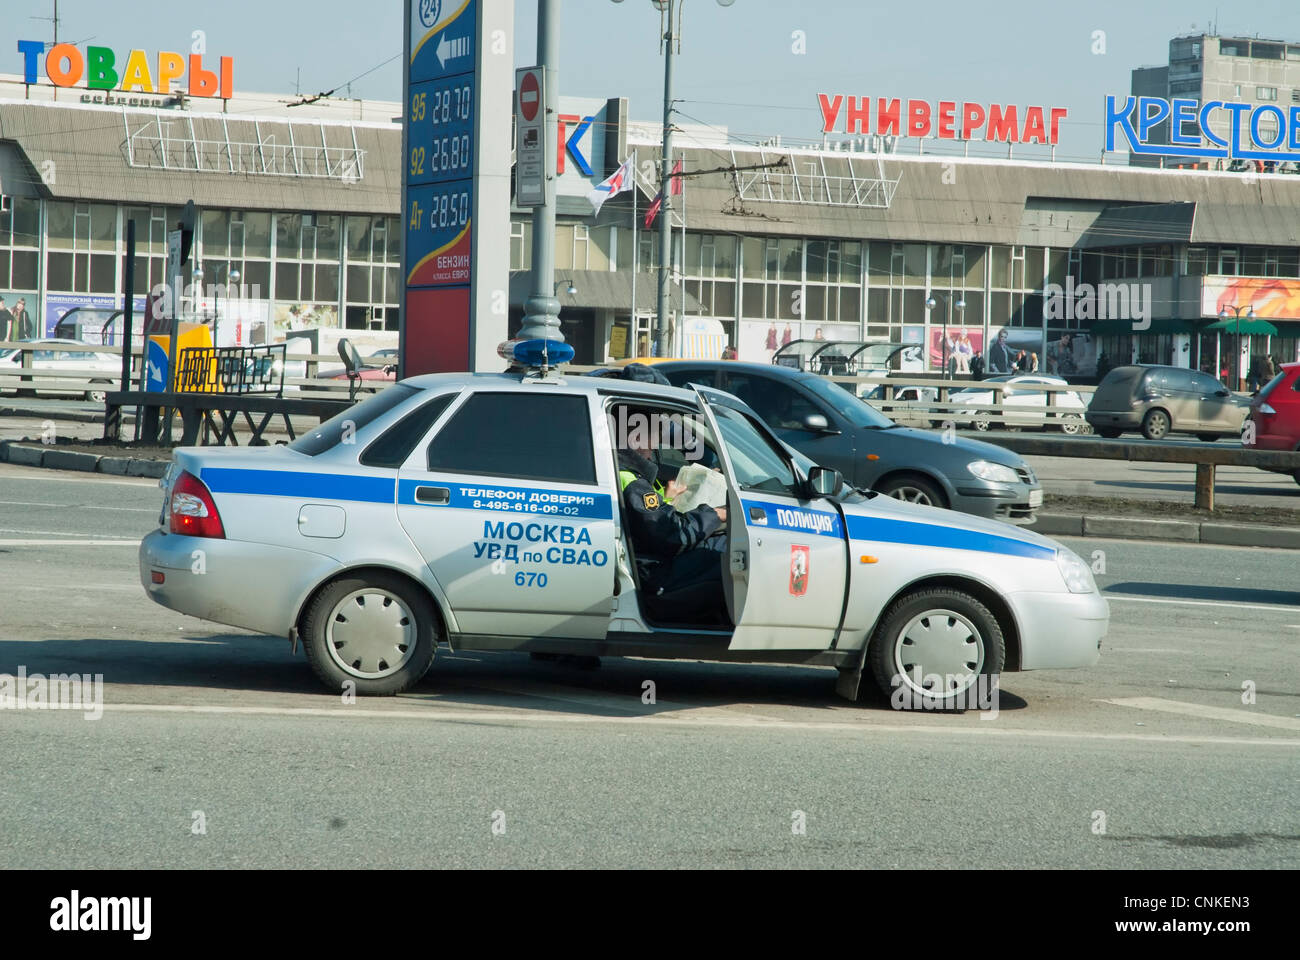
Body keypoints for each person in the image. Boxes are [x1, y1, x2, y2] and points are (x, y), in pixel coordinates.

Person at [617, 426, 728, 624]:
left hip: (649, 561)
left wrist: (667, 500)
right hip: (654, 573)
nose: (653, 448)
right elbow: (671, 535)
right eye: (652, 441)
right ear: (636, 440)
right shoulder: (631, 480)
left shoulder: (629, 476)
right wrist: (716, 514)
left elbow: (650, 521)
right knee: (729, 551)